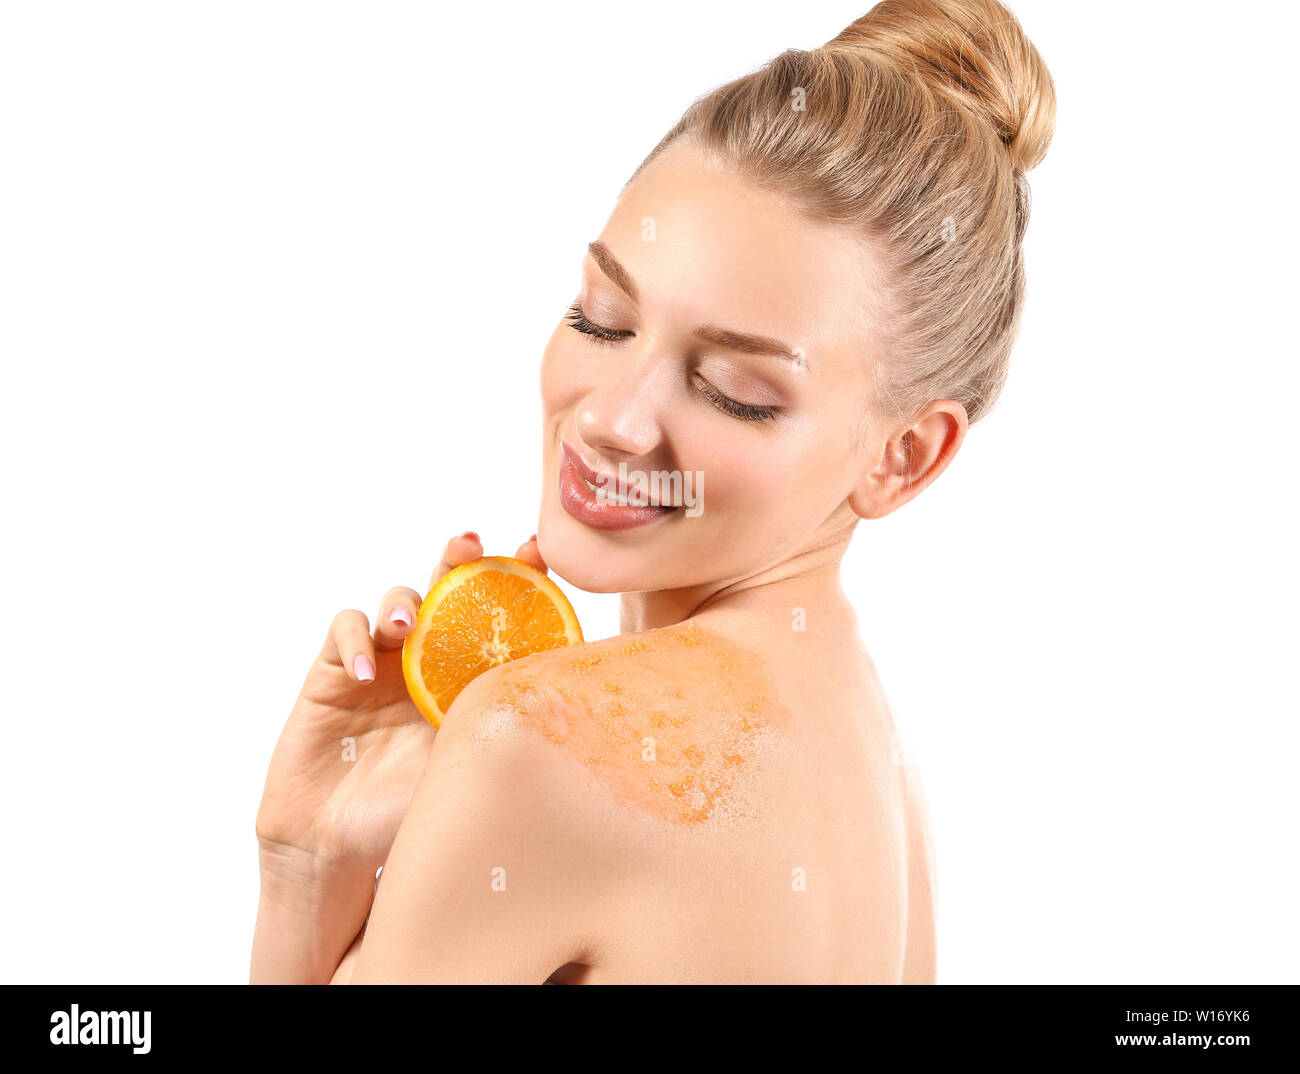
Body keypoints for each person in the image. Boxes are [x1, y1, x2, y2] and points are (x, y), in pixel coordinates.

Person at [252, 0, 1055, 983]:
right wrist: (310, 858)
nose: (612, 421)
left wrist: (308, 879)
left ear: (902, 458)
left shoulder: (531, 742)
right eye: (599, 320)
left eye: (733, 389)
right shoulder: (878, 771)